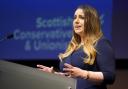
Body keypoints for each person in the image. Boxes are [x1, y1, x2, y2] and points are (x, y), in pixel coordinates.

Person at [37, 4, 115, 89]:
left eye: (81, 17)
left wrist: (83, 74)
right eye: (75, 17)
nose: (76, 21)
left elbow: (110, 76)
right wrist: (55, 74)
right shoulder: (73, 47)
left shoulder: (101, 43)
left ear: (91, 21)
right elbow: (72, 77)